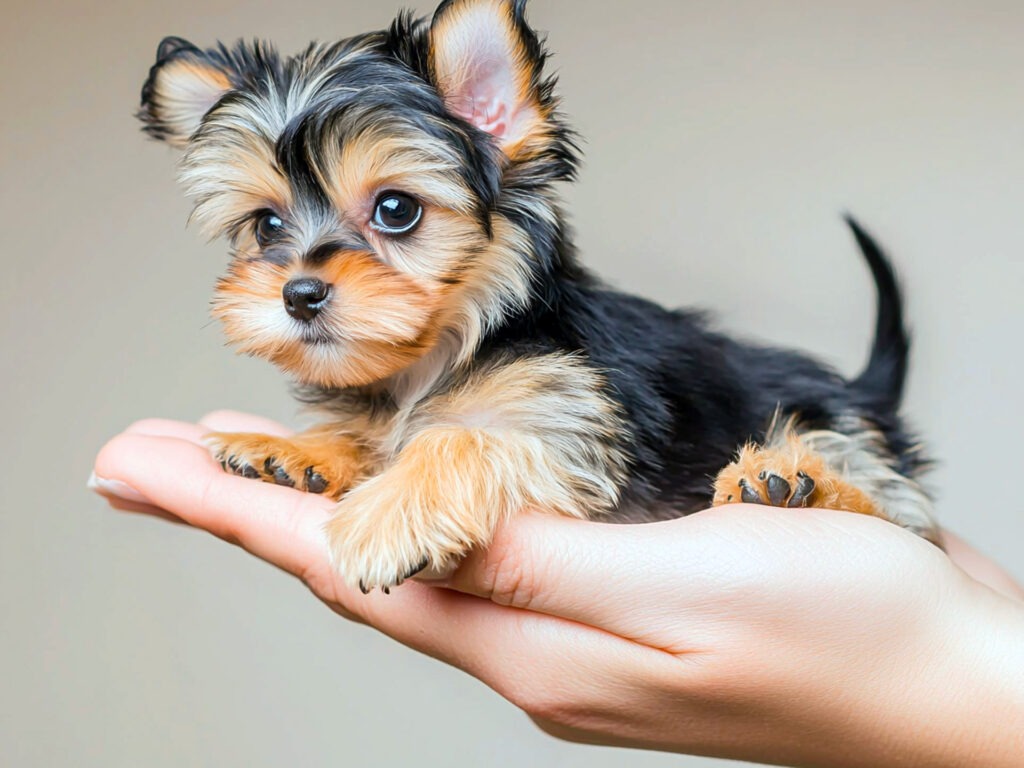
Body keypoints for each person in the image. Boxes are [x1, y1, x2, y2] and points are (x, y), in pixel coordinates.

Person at [90, 410, 1024, 768]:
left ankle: (821, 487)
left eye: (395, 213)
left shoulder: (544, 355)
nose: (306, 275)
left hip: (791, 426)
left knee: (819, 447)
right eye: (260, 227)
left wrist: (953, 680)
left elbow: (556, 450)